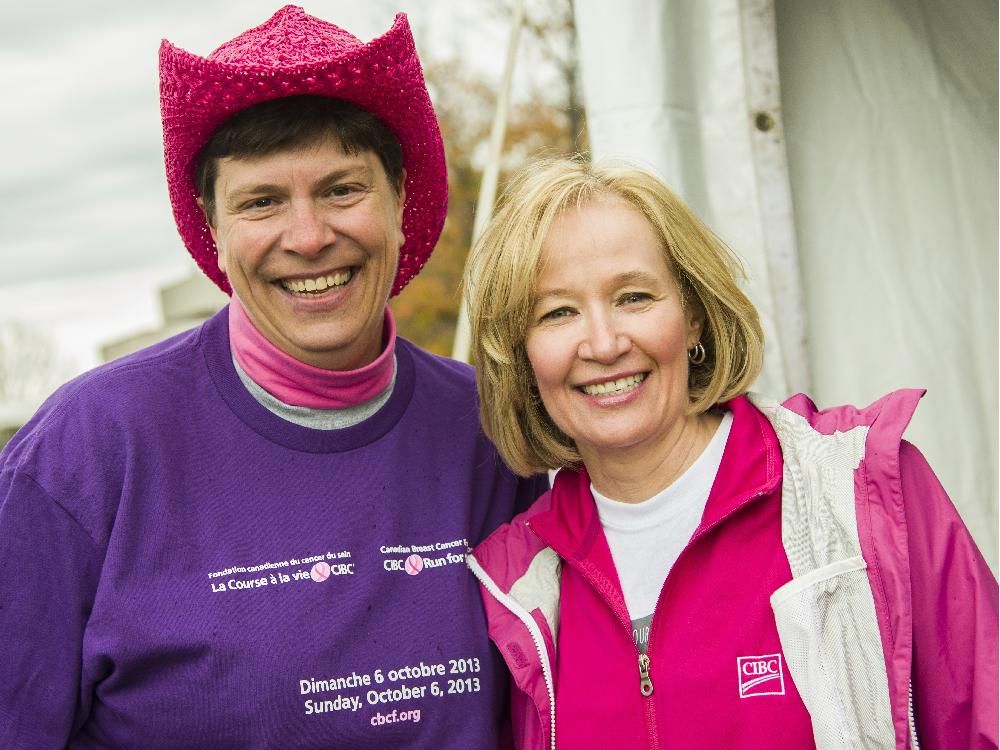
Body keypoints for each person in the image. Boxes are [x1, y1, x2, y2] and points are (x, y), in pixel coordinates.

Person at [0, 6, 546, 748]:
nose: (309, 237)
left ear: (399, 199)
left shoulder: (491, 430)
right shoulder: (87, 451)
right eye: (261, 202)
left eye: (342, 189)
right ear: (212, 228)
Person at [463, 157, 998, 749]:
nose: (605, 343)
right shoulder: (518, 582)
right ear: (523, 353)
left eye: (634, 297)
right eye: (558, 312)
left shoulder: (864, 489)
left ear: (692, 316)